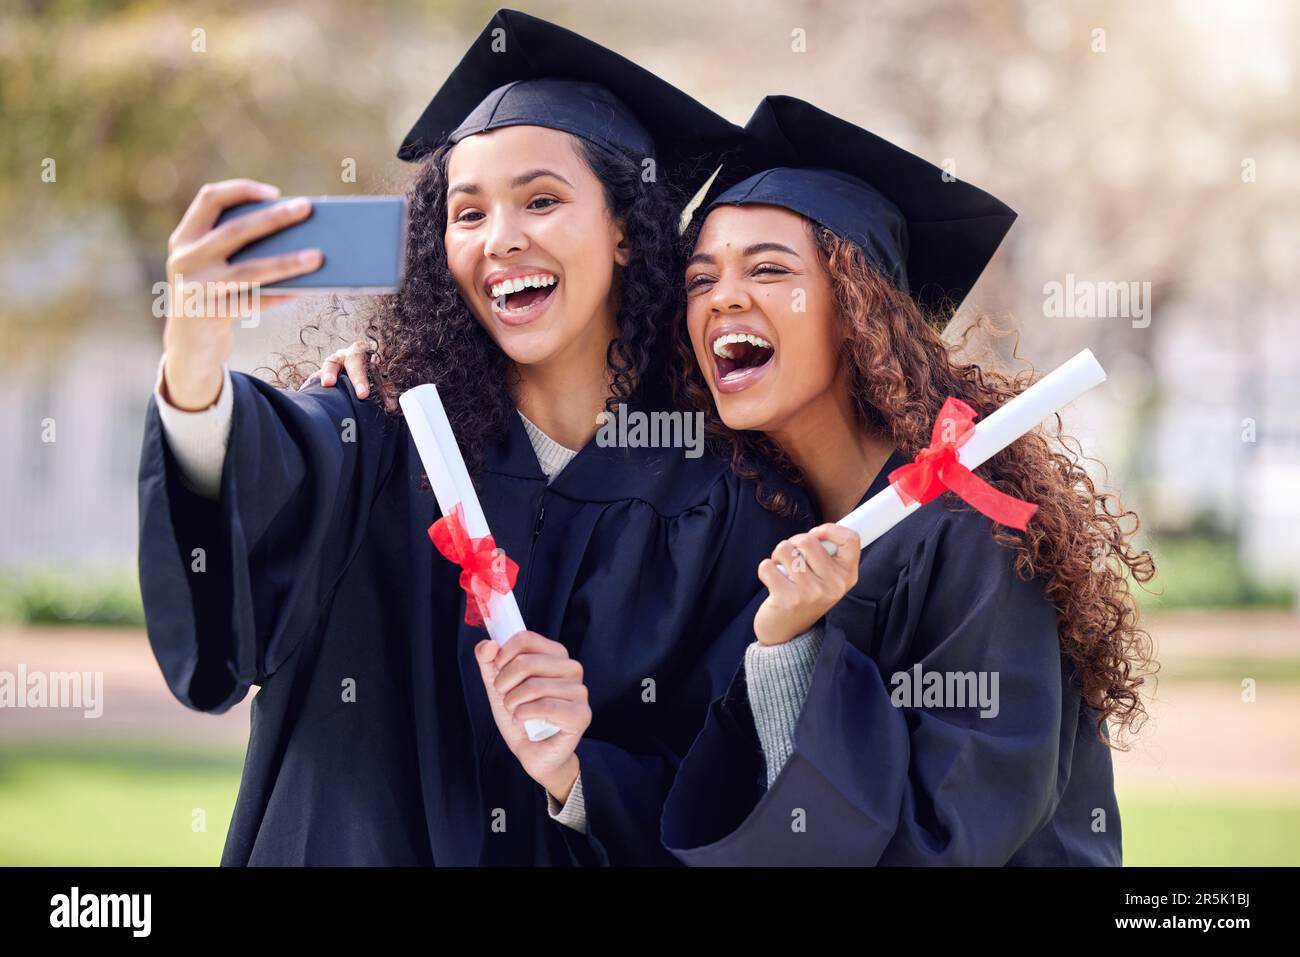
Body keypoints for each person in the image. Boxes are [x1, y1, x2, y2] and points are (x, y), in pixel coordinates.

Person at [139, 10, 810, 866]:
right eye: (467, 212)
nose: (501, 240)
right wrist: (193, 363)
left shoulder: (723, 500)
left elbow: (730, 795)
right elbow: (248, 498)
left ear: (626, 231)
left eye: (541, 199)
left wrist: (578, 775)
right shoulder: (379, 432)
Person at [655, 96, 1155, 865]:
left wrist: (792, 648)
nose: (722, 296)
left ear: (857, 309)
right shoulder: (758, 514)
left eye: (768, 269)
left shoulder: (972, 534)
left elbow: (947, 842)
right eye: (700, 277)